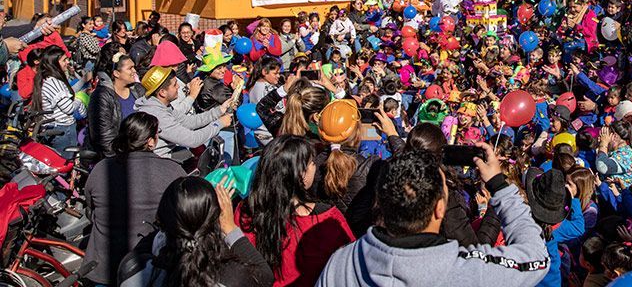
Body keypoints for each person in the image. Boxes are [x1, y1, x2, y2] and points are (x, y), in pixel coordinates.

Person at [318, 144, 549, 286]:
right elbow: (536, 258)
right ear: (440, 209)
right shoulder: (467, 271)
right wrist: (499, 185)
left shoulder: (342, 261)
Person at [238, 136, 355, 287]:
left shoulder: (246, 210)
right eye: (312, 163)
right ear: (301, 174)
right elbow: (351, 264)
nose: (315, 167)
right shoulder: (326, 219)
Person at [85, 113, 185, 286]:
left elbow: (90, 210)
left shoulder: (101, 169)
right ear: (151, 141)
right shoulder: (172, 171)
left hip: (101, 267)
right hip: (146, 269)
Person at [118, 176, 273, 287]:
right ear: (215, 221)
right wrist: (230, 227)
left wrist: (176, 219)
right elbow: (264, 276)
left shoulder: (133, 270)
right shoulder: (233, 277)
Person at [134, 65, 233, 159]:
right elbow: (192, 140)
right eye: (174, 85)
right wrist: (219, 123)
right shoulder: (158, 114)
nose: (178, 87)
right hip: (158, 162)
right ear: (162, 92)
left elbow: (189, 121)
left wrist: (219, 110)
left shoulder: (161, 105)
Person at [87, 55, 145, 158]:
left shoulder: (138, 89)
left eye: (134, 67)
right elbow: (103, 136)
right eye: (130, 68)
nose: (134, 71)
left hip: (140, 152)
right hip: (116, 156)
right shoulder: (101, 96)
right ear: (116, 73)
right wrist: (119, 159)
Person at [32, 46, 86, 154]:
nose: (68, 62)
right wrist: (80, 99)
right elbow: (68, 108)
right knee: (66, 160)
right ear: (54, 63)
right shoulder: (53, 82)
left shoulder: (48, 79)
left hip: (57, 128)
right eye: (64, 60)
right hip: (63, 129)